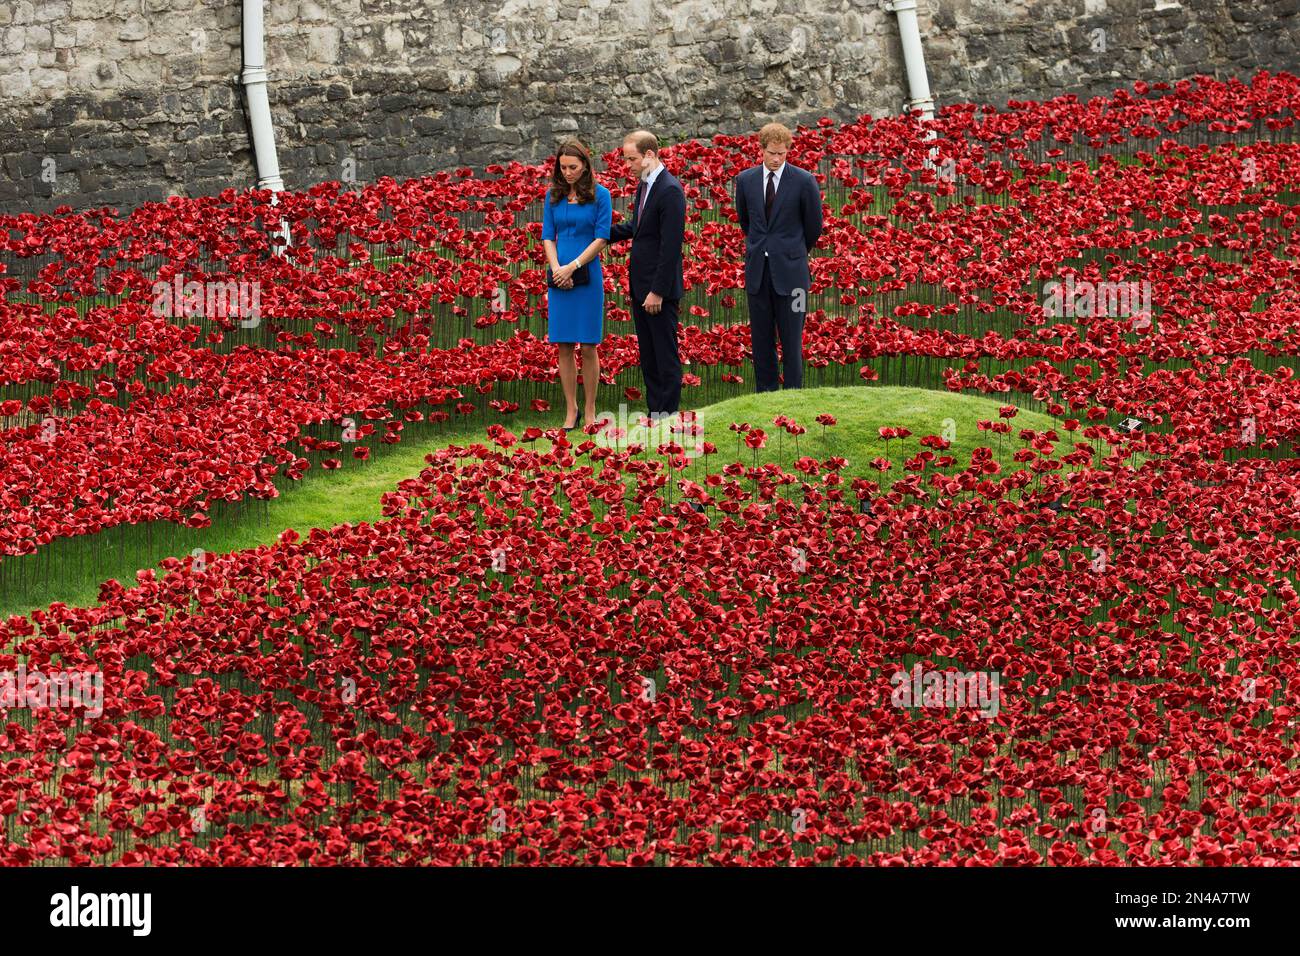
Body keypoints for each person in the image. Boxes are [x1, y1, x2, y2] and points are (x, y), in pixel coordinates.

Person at [734, 122, 824, 392]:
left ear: (788, 151)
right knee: (761, 341)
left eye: (781, 154)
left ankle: (793, 396)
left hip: (793, 279)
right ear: (760, 149)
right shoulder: (746, 180)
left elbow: (813, 227)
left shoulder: (803, 181)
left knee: (792, 340)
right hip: (758, 275)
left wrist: (792, 252)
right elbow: (746, 222)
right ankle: (765, 396)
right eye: (771, 153)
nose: (776, 159)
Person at [606, 130, 687, 418]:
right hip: (640, 285)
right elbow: (638, 227)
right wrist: (602, 233)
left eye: (632, 159)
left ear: (650, 155)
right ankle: (656, 411)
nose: (627, 165)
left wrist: (658, 291)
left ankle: (668, 413)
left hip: (657, 290)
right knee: (649, 354)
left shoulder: (670, 190)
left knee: (664, 353)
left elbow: (670, 247)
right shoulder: (646, 184)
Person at [542, 138, 611, 429]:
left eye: (573, 167)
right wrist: (557, 268)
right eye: (563, 167)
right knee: (564, 346)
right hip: (559, 275)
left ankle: (591, 407)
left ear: (585, 166)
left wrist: (573, 266)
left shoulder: (601, 195)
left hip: (586, 273)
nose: (568, 172)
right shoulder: (553, 196)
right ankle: (571, 409)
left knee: (589, 345)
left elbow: (602, 237)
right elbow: (548, 235)